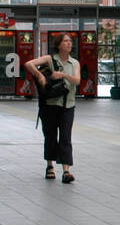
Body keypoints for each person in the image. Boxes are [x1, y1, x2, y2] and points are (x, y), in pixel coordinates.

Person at [26, 33, 80, 183]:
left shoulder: (74, 63)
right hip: (50, 106)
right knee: (50, 136)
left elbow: (77, 80)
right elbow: (29, 64)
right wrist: (40, 75)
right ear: (58, 45)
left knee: (65, 137)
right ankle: (49, 165)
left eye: (70, 41)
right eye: (65, 41)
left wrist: (62, 75)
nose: (69, 44)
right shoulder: (50, 59)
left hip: (68, 105)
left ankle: (66, 171)